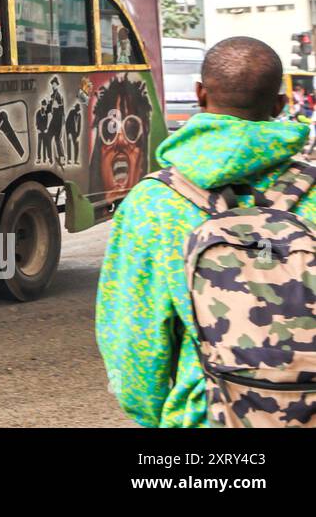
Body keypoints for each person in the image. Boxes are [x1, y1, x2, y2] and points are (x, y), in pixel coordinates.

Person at [96, 36, 316, 427]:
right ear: (280, 105)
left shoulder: (154, 203)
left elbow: (133, 347)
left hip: (208, 415)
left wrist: (161, 418)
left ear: (200, 95)